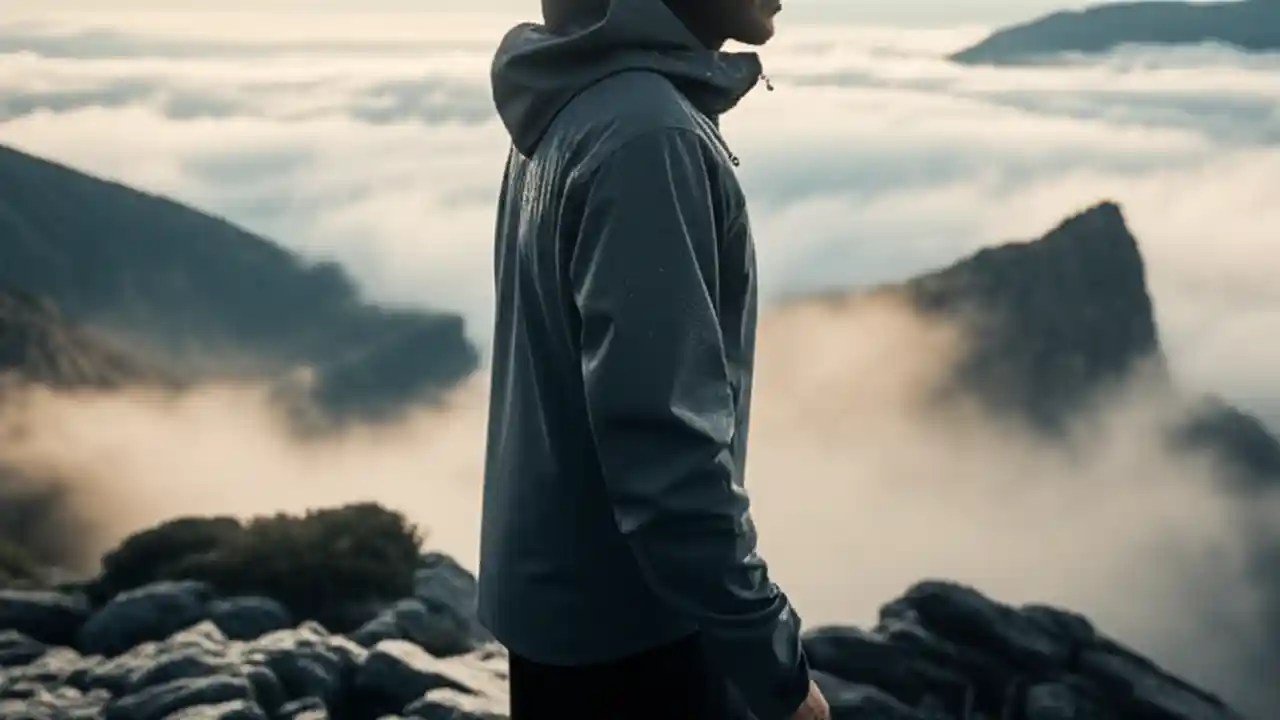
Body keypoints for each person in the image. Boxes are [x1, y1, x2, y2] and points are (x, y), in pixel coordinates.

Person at [479, 0, 830, 718]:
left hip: (567, 628)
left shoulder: (575, 98)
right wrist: (776, 670)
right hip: (637, 645)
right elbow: (666, 456)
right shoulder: (648, 137)